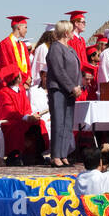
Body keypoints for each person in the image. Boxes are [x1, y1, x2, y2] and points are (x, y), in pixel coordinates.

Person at [44, 21, 81, 166]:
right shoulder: (55, 48)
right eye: (72, 31)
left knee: (67, 123)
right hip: (59, 90)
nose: (73, 33)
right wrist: (72, 87)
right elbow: (59, 70)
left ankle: (64, 153)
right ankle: (56, 155)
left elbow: (77, 68)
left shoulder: (71, 49)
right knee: (58, 122)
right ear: (66, 32)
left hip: (71, 91)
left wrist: (77, 87)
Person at [0, 65, 47, 164]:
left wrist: (30, 115)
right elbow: (9, 112)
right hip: (11, 121)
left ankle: (36, 154)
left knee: (39, 123)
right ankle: (14, 155)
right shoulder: (3, 93)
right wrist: (26, 117)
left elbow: (27, 107)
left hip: (23, 119)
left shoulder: (21, 90)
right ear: (17, 78)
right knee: (17, 127)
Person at [0, 16, 32, 89]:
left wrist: (28, 79)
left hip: (23, 86)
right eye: (25, 27)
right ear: (19, 27)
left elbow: (28, 66)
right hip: (11, 86)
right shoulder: (5, 44)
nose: (26, 30)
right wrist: (24, 79)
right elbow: (7, 67)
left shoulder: (23, 45)